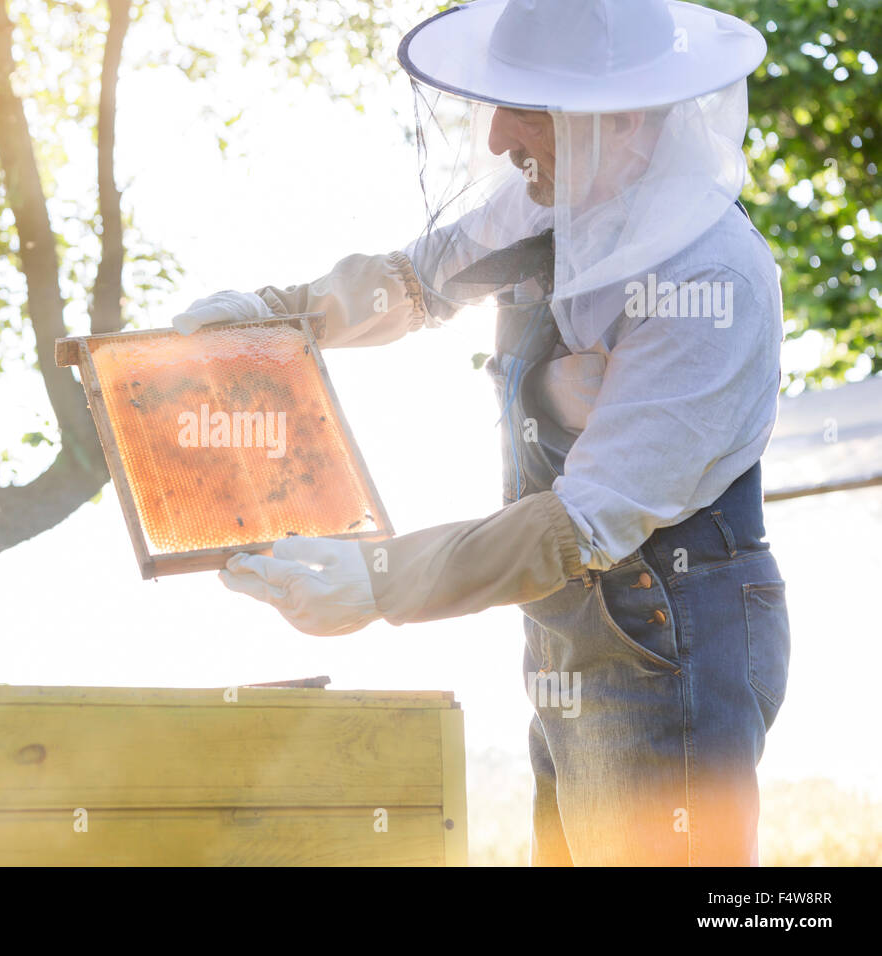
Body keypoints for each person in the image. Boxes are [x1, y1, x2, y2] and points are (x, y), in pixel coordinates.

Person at [174, 0, 791, 866]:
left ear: (624, 116)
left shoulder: (710, 281)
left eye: (527, 109)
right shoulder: (554, 198)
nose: (499, 137)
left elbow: (584, 523)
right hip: (565, 622)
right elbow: (420, 281)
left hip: (667, 628)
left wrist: (382, 580)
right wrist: (279, 316)